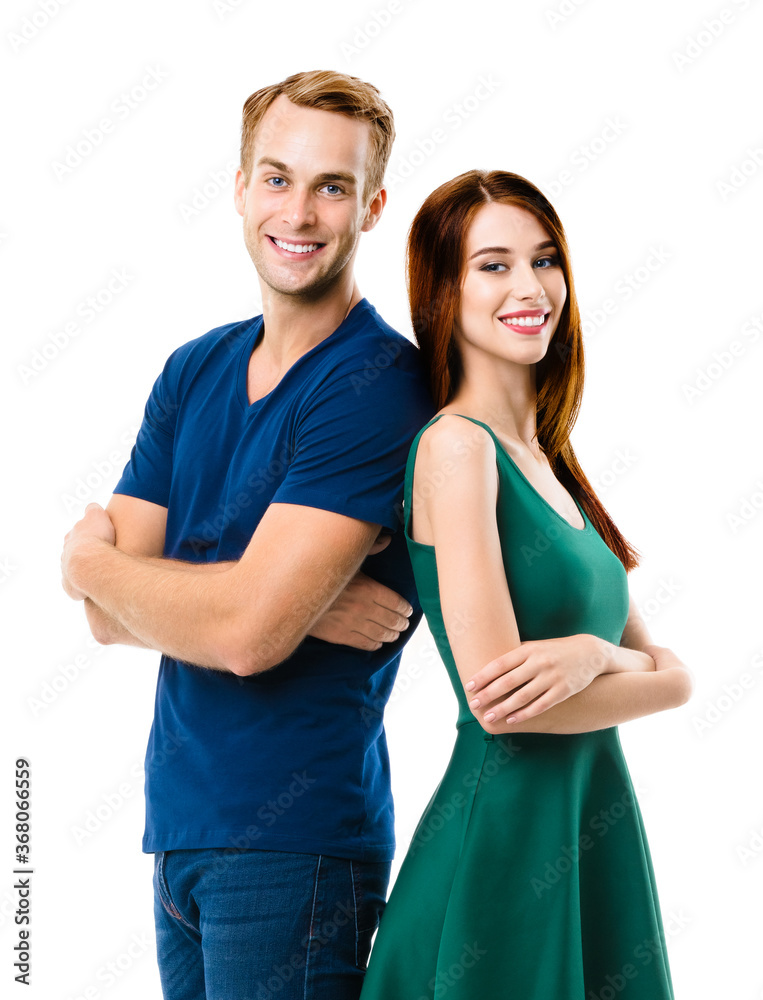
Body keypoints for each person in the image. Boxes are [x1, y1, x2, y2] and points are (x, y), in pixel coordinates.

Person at [59, 70, 437, 1000]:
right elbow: (107, 620)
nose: (299, 212)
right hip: (179, 834)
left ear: (371, 207)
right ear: (237, 188)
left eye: (332, 186)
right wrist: (277, 601)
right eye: (276, 178)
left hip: (296, 851)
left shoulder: (376, 385)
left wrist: (91, 561)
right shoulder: (192, 371)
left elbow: (239, 635)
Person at [358, 170, 693, 1000]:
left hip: (585, 835)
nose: (530, 287)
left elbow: (675, 676)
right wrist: (607, 659)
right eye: (492, 265)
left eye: (544, 259)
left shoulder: (551, 465)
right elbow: (502, 704)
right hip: (501, 854)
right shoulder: (455, 450)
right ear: (443, 291)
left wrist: (593, 657)